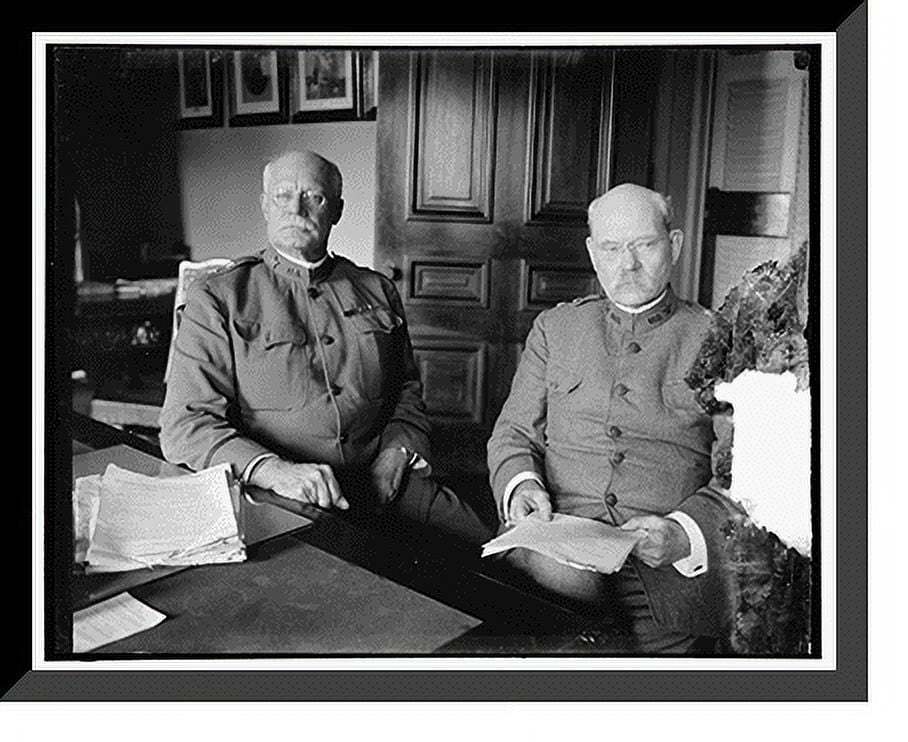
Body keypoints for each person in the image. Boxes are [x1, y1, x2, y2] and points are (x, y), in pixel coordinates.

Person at [160, 150, 492, 545]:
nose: (295, 209)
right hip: (279, 493)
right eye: (282, 196)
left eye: (313, 197)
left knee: (490, 553)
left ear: (336, 210)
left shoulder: (376, 290)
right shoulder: (220, 298)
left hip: (383, 479)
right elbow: (187, 424)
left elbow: (406, 395)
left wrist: (397, 453)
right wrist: (273, 471)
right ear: (266, 206)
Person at [486, 183, 740, 653]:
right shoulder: (556, 330)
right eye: (611, 248)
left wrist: (685, 536)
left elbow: (741, 475)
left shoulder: (718, 339)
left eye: (644, 245)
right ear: (592, 252)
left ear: (675, 245)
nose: (627, 264)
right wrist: (522, 485)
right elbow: (513, 434)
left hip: (666, 574)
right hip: (557, 555)